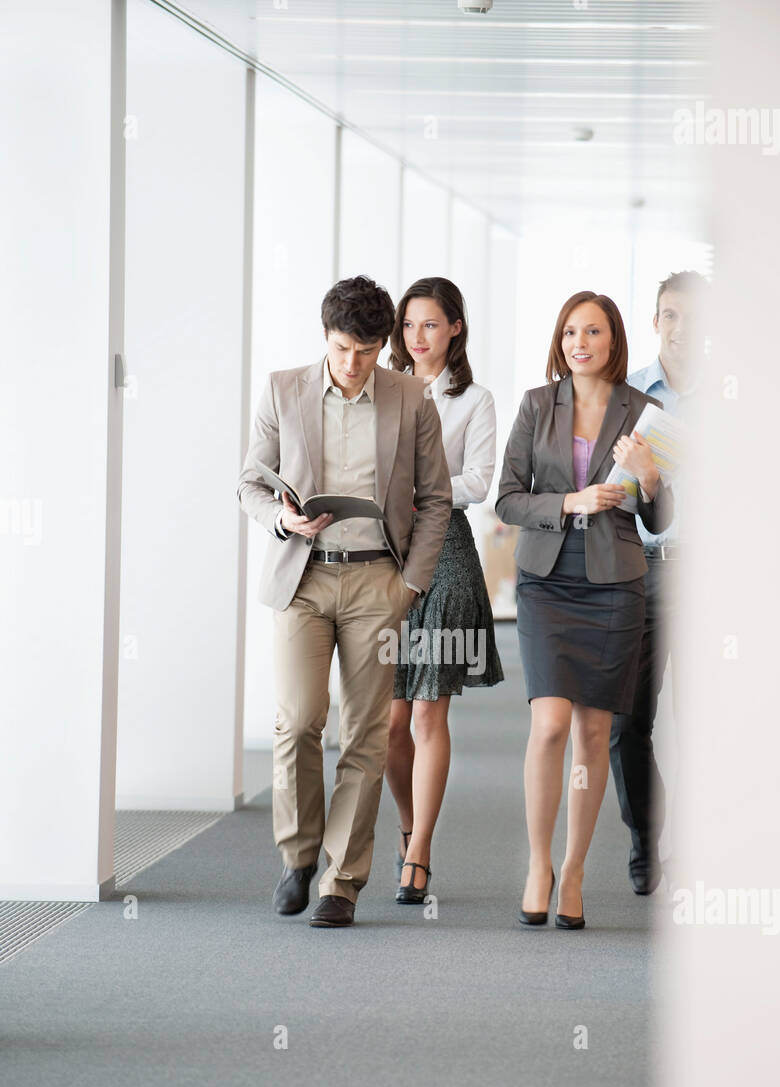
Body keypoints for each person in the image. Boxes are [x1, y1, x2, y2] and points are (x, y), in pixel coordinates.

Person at [237, 275, 452, 928]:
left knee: (364, 733)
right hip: (302, 577)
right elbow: (249, 482)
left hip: (375, 583)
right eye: (339, 349)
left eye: (364, 351)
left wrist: (409, 582)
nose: (352, 364)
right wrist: (283, 520)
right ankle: (299, 854)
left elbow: (437, 499)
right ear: (324, 338)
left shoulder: (411, 398)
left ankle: (342, 880)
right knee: (299, 720)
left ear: (382, 345)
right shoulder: (283, 390)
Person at [495, 291, 674, 930]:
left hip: (614, 583)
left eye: (593, 331)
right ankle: (538, 863)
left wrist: (648, 477)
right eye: (570, 331)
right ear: (560, 340)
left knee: (593, 733)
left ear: (612, 340)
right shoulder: (537, 405)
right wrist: (570, 502)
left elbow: (659, 516)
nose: (580, 342)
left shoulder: (644, 411)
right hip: (546, 581)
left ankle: (573, 872)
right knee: (549, 725)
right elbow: (508, 501)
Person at [384, 277, 504, 905]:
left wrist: (420, 492)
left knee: (428, 708)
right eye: (409, 326)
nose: (418, 337)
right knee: (389, 721)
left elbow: (481, 481)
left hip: (446, 551)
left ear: (455, 328)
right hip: (383, 555)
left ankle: (422, 849)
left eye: (430, 324)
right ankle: (407, 826)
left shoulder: (474, 399)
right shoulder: (382, 389)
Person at [610, 270, 708, 894]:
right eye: (670, 315)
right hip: (640, 571)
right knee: (628, 722)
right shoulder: (627, 398)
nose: (681, 328)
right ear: (656, 321)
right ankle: (647, 840)